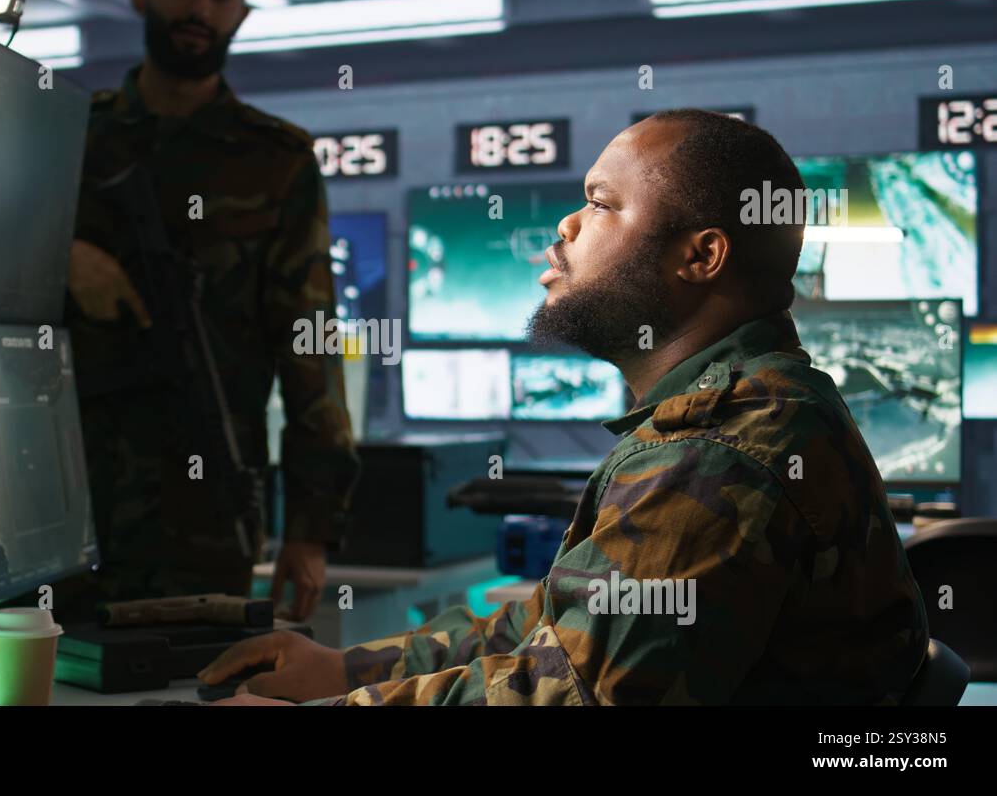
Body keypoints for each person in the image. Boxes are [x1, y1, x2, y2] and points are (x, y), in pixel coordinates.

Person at [201, 110, 930, 705]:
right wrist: (342, 671)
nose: (566, 226)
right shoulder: (738, 409)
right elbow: (555, 621)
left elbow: (569, 693)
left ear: (702, 256)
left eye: (600, 204)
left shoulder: (721, 451)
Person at [56, 0, 359, 623]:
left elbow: (310, 348)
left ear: (241, 13)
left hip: (200, 508)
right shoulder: (66, 140)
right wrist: (57, 260)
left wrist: (309, 529)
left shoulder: (276, 161)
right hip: (56, 495)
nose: (200, 8)